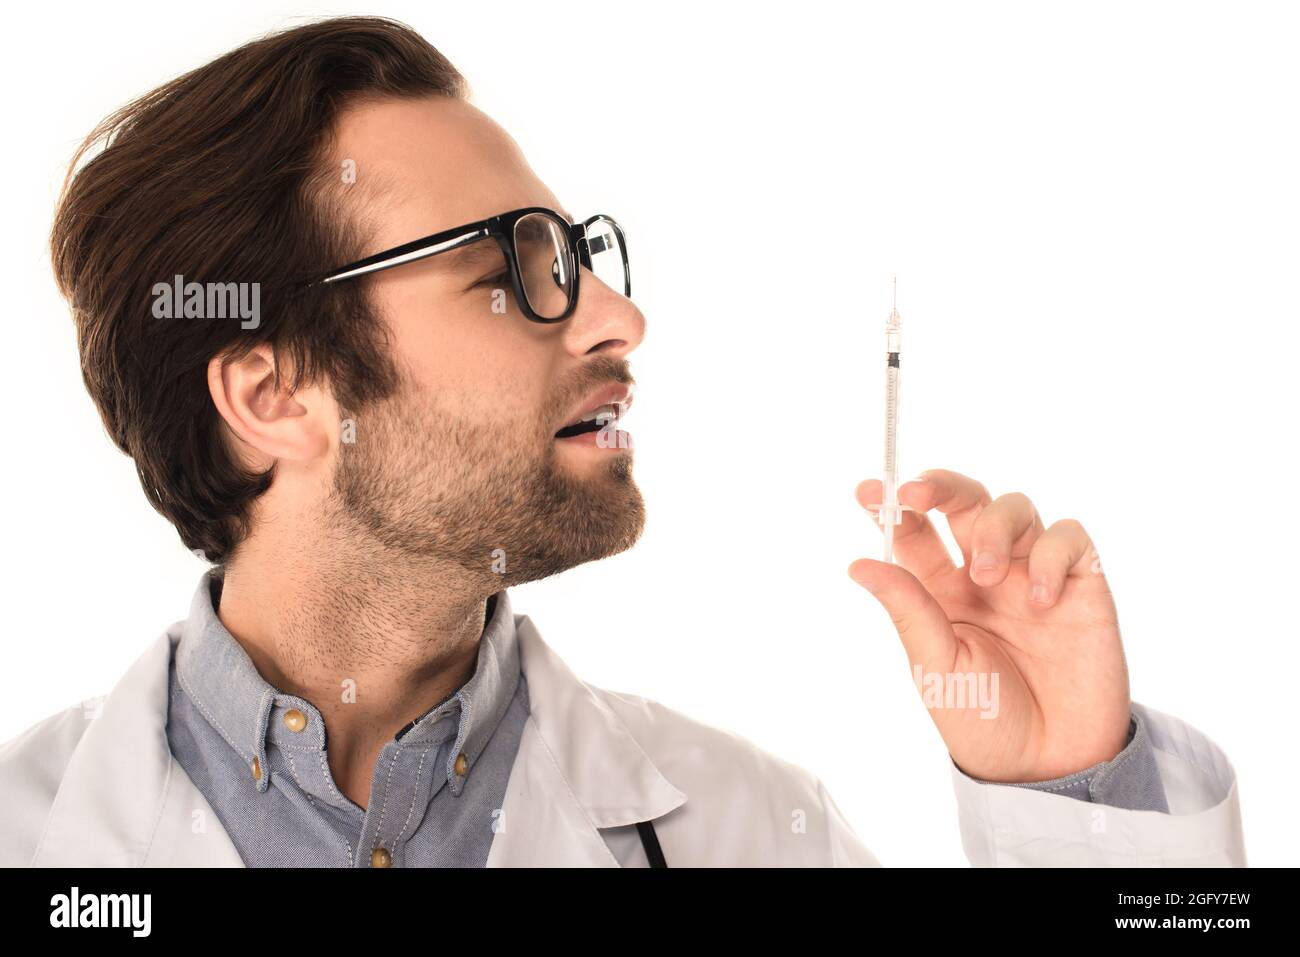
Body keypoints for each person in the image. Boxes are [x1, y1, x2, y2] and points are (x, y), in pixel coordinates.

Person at [0, 17, 1242, 867]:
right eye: (511, 271)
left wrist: (1076, 796)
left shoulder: (747, 833)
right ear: (274, 395)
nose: (616, 319)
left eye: (576, 255)